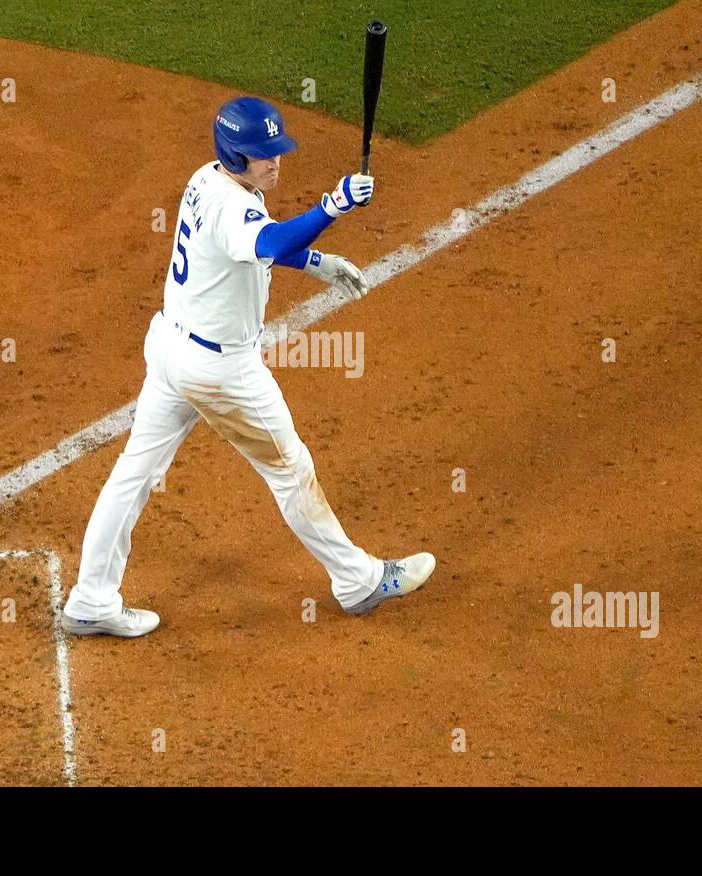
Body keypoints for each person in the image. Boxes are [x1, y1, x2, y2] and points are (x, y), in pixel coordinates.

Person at [61, 96, 435, 637]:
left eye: (278, 152)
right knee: (290, 471)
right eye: (264, 156)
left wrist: (314, 262)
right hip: (220, 373)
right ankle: (358, 581)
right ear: (234, 156)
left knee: (133, 475)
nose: (275, 163)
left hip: (170, 352)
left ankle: (91, 599)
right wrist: (334, 205)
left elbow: (249, 246)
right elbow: (264, 238)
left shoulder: (206, 179)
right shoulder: (233, 205)